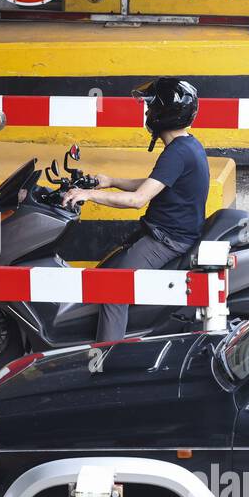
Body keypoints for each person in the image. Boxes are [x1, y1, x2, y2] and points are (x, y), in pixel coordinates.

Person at [62, 78, 210, 343]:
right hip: (165, 233)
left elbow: (139, 199)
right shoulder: (188, 145)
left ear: (164, 114)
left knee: (113, 289)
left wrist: (90, 194)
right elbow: (157, 183)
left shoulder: (177, 152)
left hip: (167, 240)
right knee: (104, 273)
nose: (148, 113)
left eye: (152, 108)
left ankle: (106, 362)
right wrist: (111, 181)